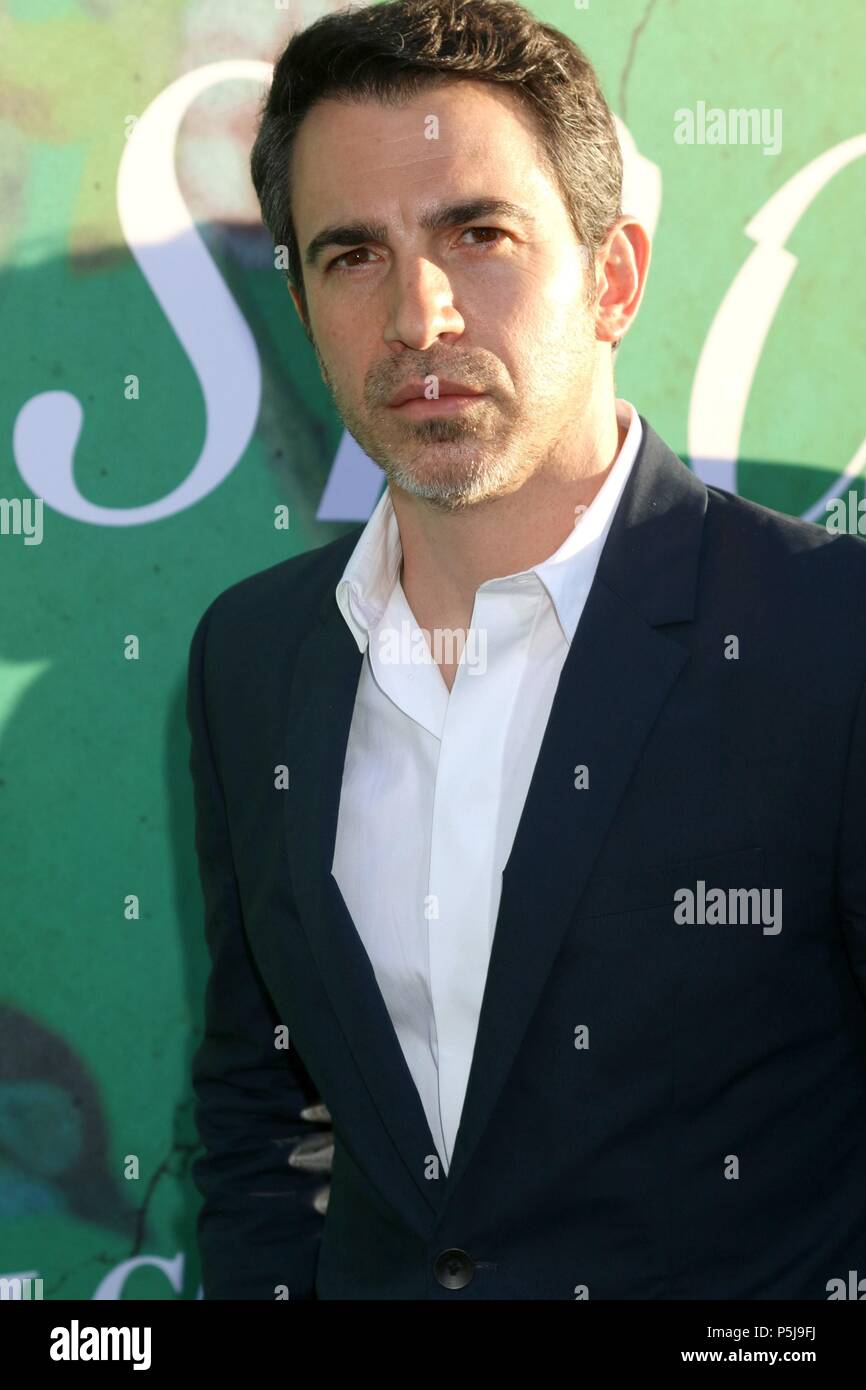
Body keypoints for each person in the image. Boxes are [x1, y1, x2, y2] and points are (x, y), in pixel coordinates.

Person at [187, 0, 866, 1299]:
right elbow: (263, 1107)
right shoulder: (253, 659)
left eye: (476, 235)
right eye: (351, 255)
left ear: (610, 276)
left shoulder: (826, 637)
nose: (418, 314)